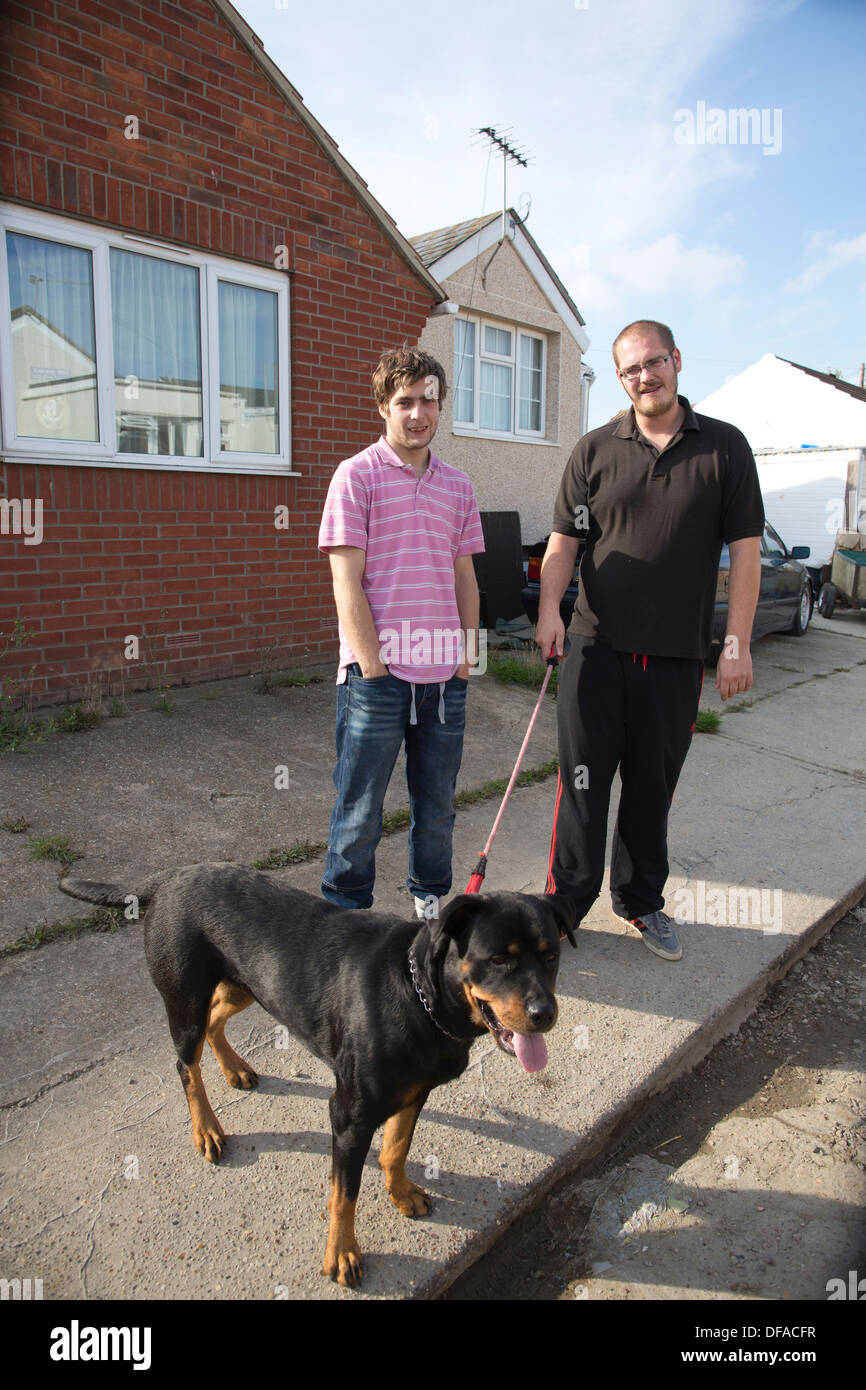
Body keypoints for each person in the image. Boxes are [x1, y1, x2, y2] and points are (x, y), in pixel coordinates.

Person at [535, 320, 764, 960]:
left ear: (677, 361)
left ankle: (640, 902)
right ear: (620, 377)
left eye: (654, 363)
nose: (645, 377)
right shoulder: (593, 449)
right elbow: (563, 544)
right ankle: (561, 911)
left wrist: (737, 642)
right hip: (593, 650)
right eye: (631, 369)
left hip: (674, 657)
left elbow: (746, 555)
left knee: (650, 789)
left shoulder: (724, 449)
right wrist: (550, 610)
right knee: (581, 785)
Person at [317, 347, 484, 916]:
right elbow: (346, 581)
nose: (418, 413)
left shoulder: (458, 486)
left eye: (428, 401)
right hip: (376, 679)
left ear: (441, 406)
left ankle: (431, 906)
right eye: (405, 401)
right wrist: (372, 668)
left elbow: (465, 577)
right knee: (360, 808)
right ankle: (343, 919)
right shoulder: (355, 476)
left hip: (443, 678)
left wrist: (468, 658)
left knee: (436, 807)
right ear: (383, 406)